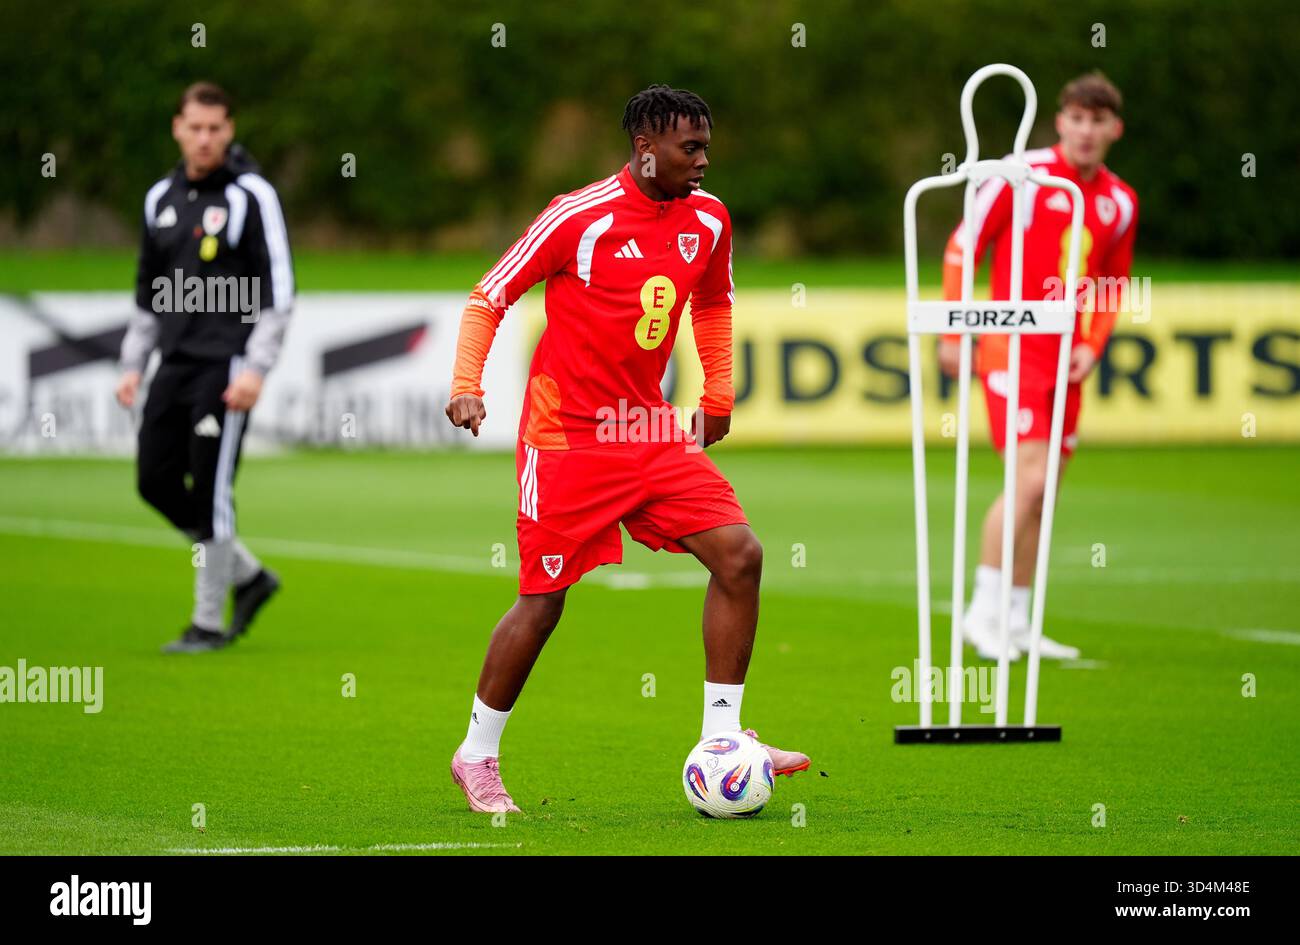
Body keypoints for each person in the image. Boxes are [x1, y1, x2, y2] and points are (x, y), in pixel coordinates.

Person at [443, 85, 809, 813]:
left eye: (706, 145)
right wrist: (466, 383)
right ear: (646, 150)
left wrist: (717, 394)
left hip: (644, 428)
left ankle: (722, 739)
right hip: (567, 437)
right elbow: (490, 295)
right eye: (690, 148)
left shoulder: (709, 219)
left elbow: (712, 302)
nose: (704, 161)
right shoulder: (578, 216)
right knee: (542, 603)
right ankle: (476, 752)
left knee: (740, 554)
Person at [939, 71, 1139, 662]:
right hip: (1012, 344)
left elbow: (1111, 281)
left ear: (1114, 129)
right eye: (1076, 118)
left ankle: (1019, 620)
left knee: (1043, 491)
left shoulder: (1118, 200)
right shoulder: (1019, 173)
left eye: (1097, 120)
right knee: (1026, 480)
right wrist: (956, 326)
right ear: (1060, 121)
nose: (1085, 130)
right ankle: (982, 611)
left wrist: (1094, 340)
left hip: (1065, 357)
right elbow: (964, 244)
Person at [116, 82, 292, 653]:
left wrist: (257, 370)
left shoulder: (251, 195)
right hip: (173, 363)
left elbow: (278, 293)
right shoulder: (158, 199)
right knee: (154, 480)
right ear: (177, 128)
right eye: (195, 127)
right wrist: (132, 364)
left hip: (228, 365)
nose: (205, 138)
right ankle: (249, 575)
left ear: (230, 130)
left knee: (213, 489)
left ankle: (207, 624)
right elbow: (148, 295)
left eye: (215, 128)